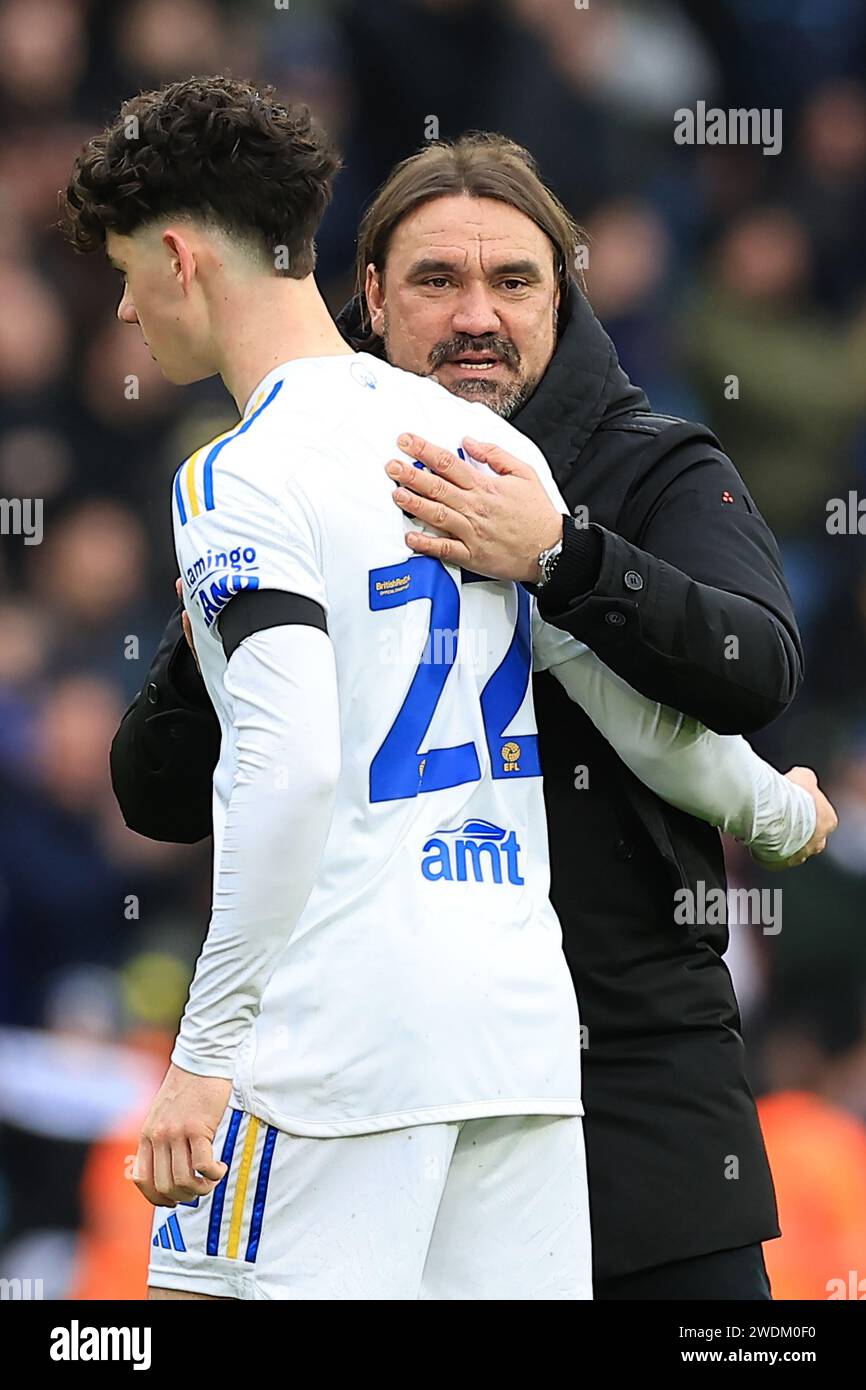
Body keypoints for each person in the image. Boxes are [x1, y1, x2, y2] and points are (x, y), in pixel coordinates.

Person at [88, 106, 835, 1299]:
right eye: (436, 278)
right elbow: (639, 718)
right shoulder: (470, 459)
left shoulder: (250, 471)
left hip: (387, 1053)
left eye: (510, 280)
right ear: (369, 291)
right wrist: (777, 811)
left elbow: (289, 772)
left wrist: (203, 1049)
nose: (475, 312)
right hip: (515, 1037)